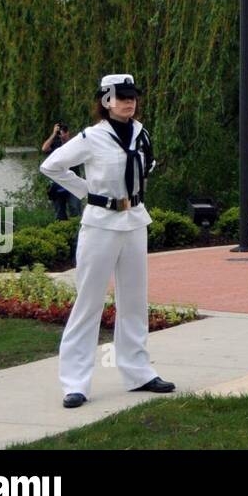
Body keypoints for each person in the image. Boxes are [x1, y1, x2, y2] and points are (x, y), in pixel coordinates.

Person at [38, 74, 174, 408]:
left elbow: (147, 166)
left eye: (133, 97)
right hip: (100, 223)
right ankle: (75, 382)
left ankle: (138, 372)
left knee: (134, 301)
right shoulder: (91, 137)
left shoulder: (141, 134)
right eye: (122, 97)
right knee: (89, 302)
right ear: (106, 101)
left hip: (134, 221)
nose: (129, 102)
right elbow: (51, 165)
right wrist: (88, 192)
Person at [41, 122, 82, 222]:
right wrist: (53, 134)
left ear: (68, 133)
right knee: (59, 213)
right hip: (58, 185)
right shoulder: (56, 145)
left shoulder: (74, 144)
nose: (62, 135)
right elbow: (44, 148)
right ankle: (61, 232)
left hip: (73, 184)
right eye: (60, 133)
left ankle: (76, 233)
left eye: (64, 132)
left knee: (75, 210)